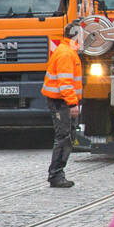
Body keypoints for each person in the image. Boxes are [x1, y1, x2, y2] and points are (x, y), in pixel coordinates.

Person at [42, 22, 83, 187]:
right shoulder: (66, 54)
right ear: (76, 35)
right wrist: (73, 103)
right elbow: (65, 83)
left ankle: (57, 174)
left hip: (61, 101)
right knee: (64, 137)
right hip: (61, 102)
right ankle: (56, 175)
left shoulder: (67, 51)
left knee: (67, 136)